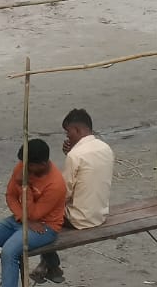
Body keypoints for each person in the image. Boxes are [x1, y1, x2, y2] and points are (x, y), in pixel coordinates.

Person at [34, 108, 115, 282]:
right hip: (100, 214)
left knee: (40, 215)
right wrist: (71, 152)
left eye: (68, 132)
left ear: (77, 130)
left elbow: (64, 193)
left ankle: (51, 265)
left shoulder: (75, 155)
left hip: (80, 219)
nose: (67, 136)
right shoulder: (105, 148)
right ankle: (48, 265)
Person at [0, 139, 66, 287]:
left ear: (42, 164)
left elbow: (34, 214)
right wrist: (23, 219)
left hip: (45, 227)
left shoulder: (56, 184)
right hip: (22, 218)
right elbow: (10, 196)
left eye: (29, 165)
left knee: (9, 252)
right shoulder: (23, 166)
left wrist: (25, 186)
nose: (24, 167)